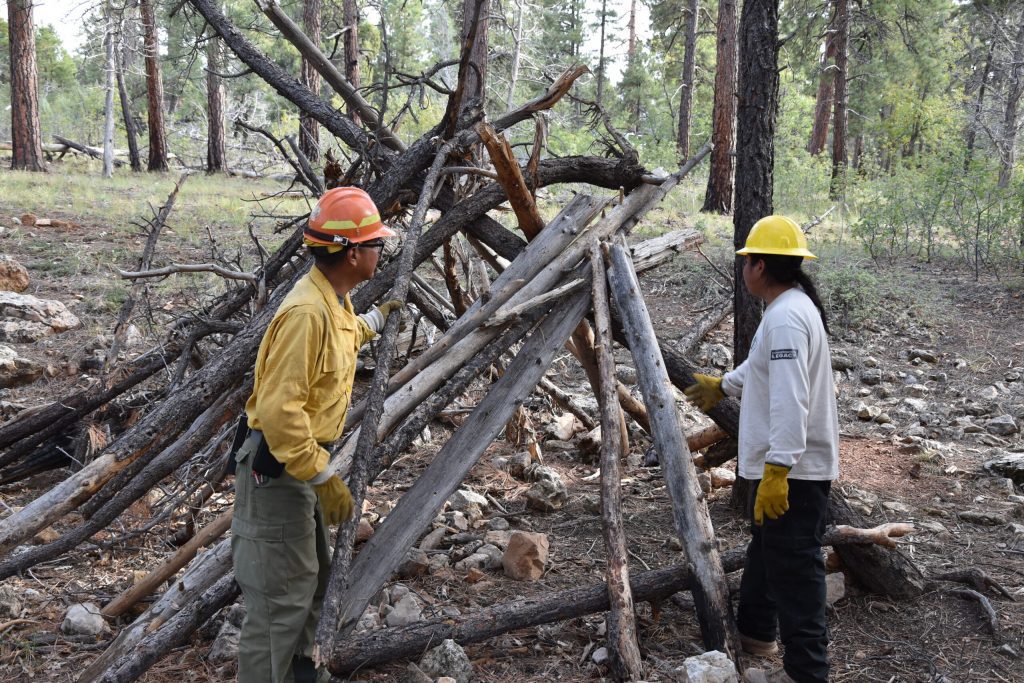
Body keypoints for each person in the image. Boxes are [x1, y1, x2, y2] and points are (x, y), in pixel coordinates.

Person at [231, 186, 404, 683]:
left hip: (299, 465)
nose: (380, 251)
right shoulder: (307, 313)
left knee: (310, 581)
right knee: (280, 602)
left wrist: (374, 321)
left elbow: (341, 339)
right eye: (375, 244)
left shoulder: (333, 300)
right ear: (352, 253)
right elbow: (280, 412)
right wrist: (324, 475)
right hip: (280, 468)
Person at [685, 215, 838, 683]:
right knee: (769, 552)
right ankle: (755, 633)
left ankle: (807, 672)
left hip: (794, 472)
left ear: (762, 266)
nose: (743, 268)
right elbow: (761, 368)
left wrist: (777, 469)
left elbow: (792, 399)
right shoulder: (785, 309)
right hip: (784, 466)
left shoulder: (788, 317)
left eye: (747, 260)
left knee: (795, 568)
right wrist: (723, 386)